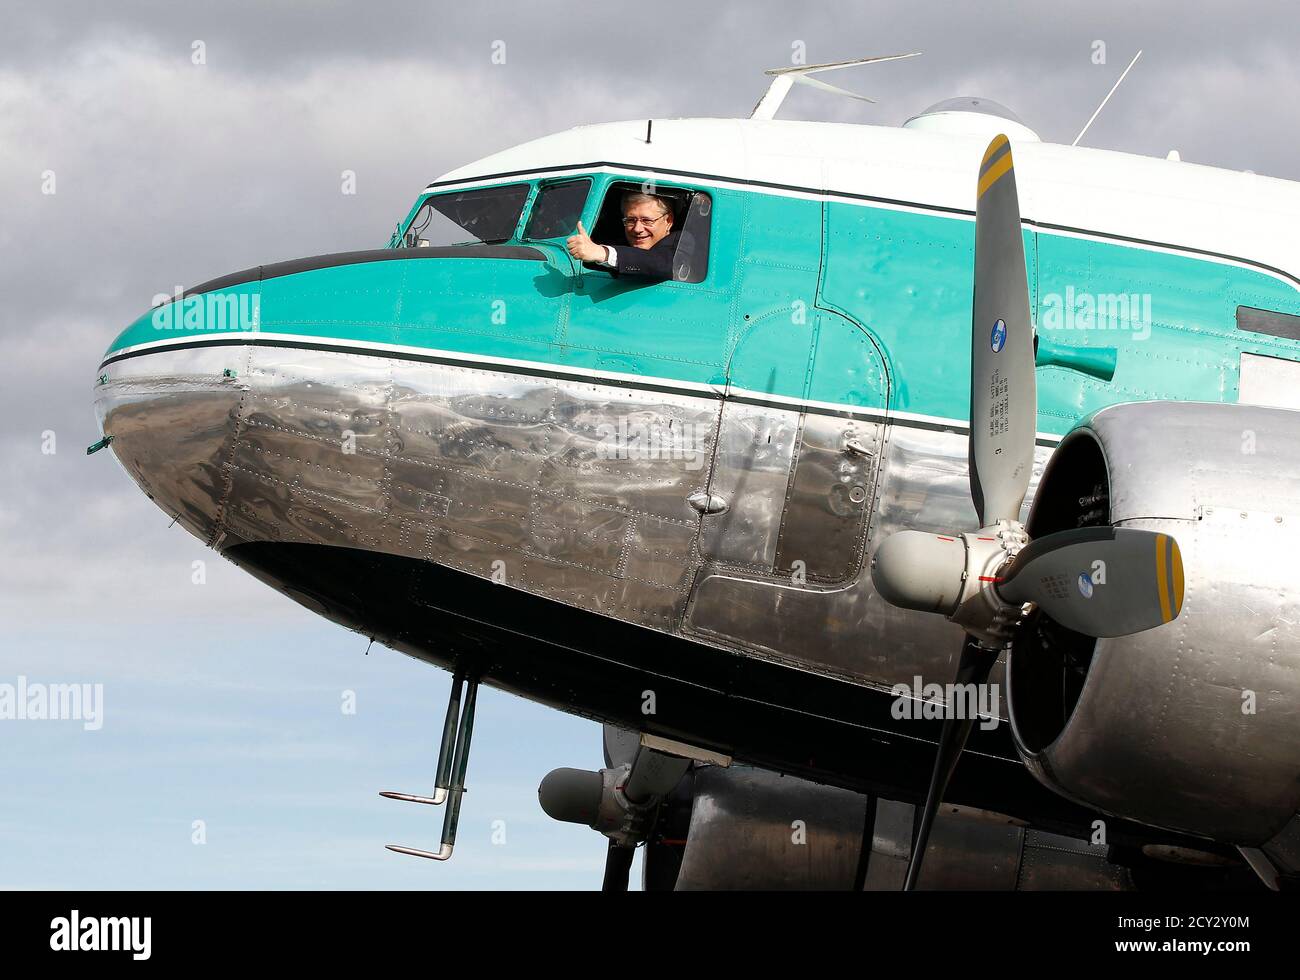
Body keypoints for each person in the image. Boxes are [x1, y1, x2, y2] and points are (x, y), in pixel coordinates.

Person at [566, 192, 680, 281]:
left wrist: (602, 253)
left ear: (668, 221)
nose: (637, 229)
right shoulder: (618, 244)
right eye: (630, 220)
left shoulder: (682, 241)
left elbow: (664, 264)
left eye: (647, 221)